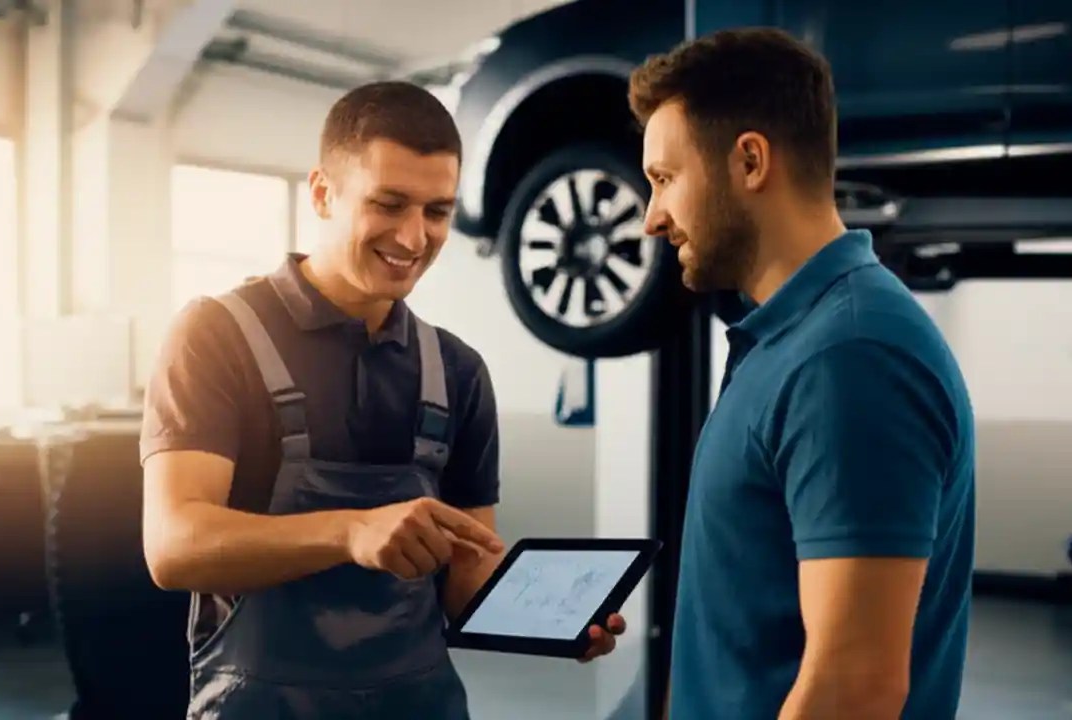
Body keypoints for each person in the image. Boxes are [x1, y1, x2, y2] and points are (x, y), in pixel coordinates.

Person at [139, 80, 625, 719]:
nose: (414, 236)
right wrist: (350, 532)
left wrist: (550, 620)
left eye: (437, 211)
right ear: (322, 192)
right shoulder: (216, 335)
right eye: (389, 203)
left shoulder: (457, 371)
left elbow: (465, 576)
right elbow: (175, 547)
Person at [629, 28, 976, 720]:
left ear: (750, 160)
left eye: (665, 179)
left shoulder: (849, 356)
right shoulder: (791, 340)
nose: (651, 219)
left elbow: (854, 688)